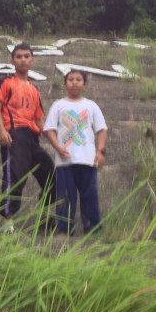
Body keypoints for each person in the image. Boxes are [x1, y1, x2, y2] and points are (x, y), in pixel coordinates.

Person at [0, 43, 55, 222]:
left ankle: (43, 212)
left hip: (32, 138)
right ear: (13, 60)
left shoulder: (34, 89)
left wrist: (55, 140)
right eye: (19, 56)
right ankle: (7, 219)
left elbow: (38, 119)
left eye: (26, 56)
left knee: (50, 173)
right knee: (15, 176)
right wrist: (2, 131)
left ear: (32, 60)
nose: (23, 60)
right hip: (14, 135)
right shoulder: (5, 82)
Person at [43, 69, 108, 234]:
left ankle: (93, 230)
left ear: (84, 84)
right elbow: (49, 129)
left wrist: (100, 152)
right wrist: (58, 147)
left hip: (88, 160)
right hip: (65, 161)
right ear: (65, 83)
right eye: (70, 79)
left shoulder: (91, 106)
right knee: (65, 198)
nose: (74, 82)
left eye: (79, 79)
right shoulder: (58, 105)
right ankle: (64, 230)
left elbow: (102, 130)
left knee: (90, 197)